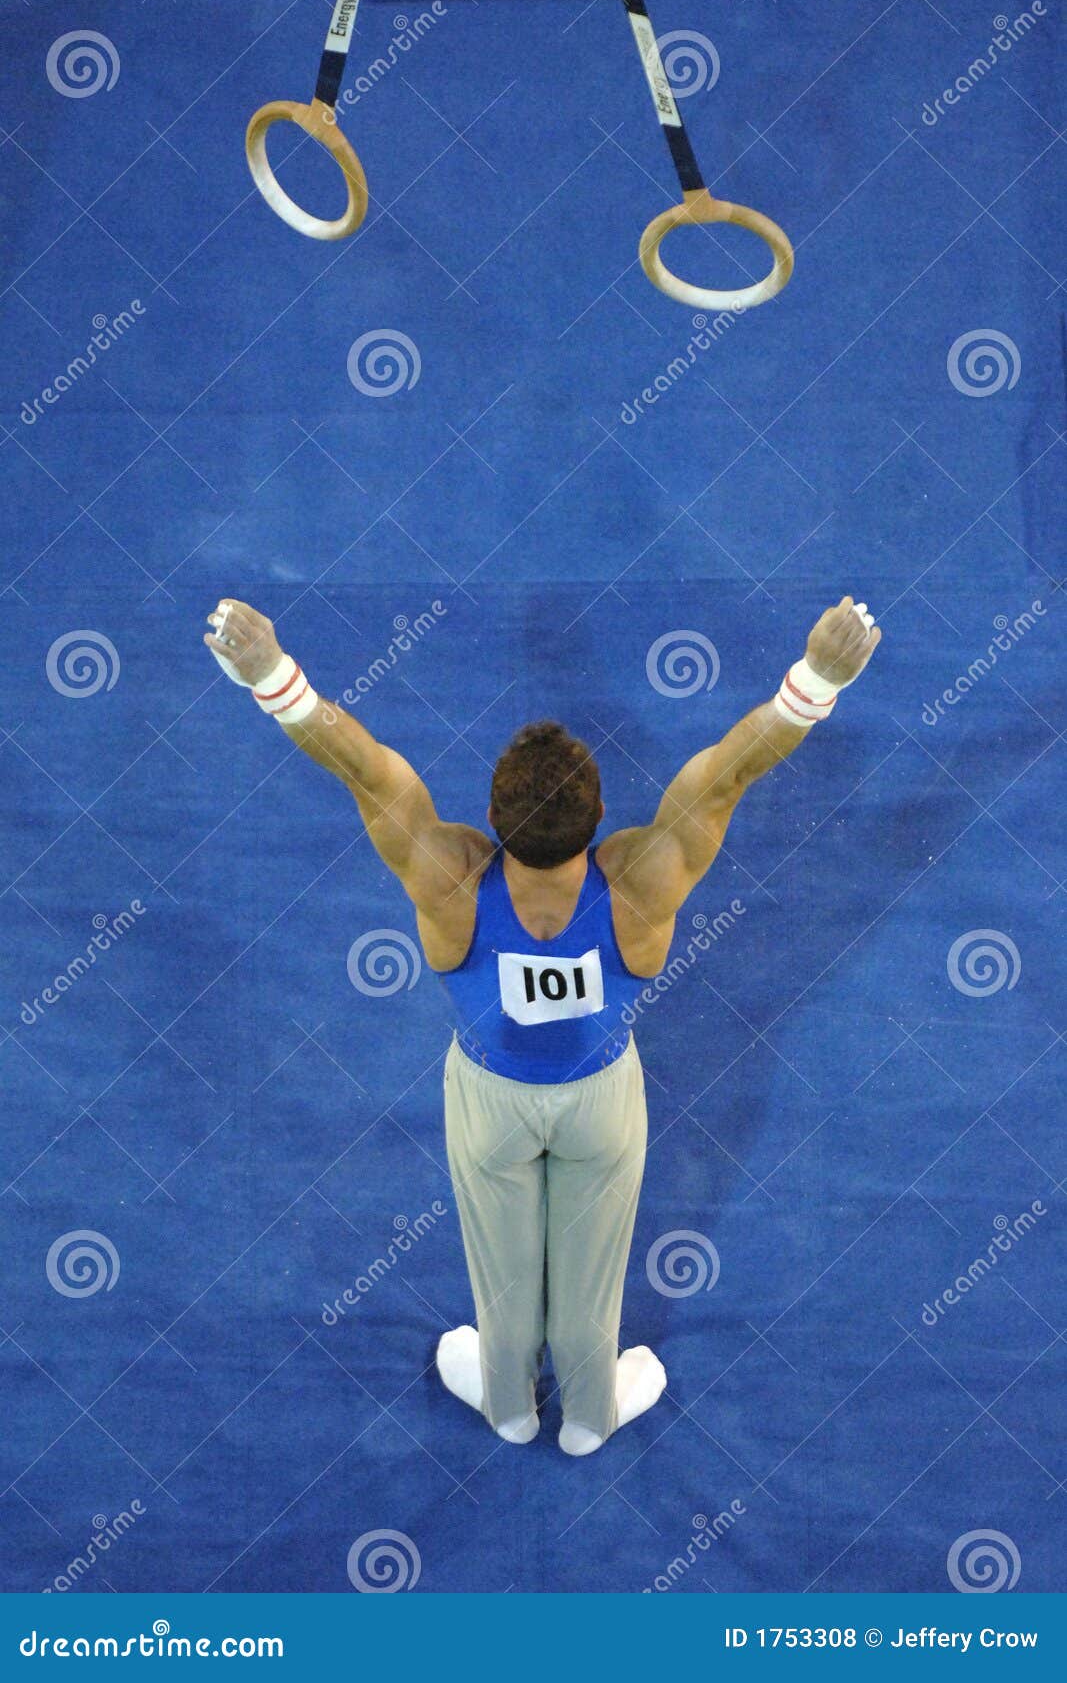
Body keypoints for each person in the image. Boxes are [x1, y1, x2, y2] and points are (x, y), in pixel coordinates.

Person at [204, 595, 880, 1454]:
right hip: (598, 1101)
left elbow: (363, 768)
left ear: (489, 823)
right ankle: (591, 1419)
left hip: (490, 1101)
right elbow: (730, 773)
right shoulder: (643, 876)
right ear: (602, 823)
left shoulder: (448, 877)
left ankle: (509, 1406)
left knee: (502, 1271)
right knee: (592, 1280)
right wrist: (817, 676)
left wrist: (264, 670)